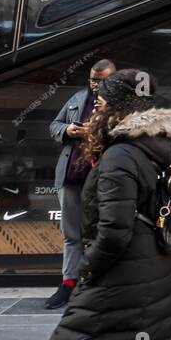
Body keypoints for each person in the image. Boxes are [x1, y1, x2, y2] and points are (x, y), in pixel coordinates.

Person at [21, 69, 171, 340]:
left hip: (121, 283)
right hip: (153, 277)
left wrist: (85, 274)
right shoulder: (153, 146)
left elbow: (114, 233)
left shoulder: (120, 156)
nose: (95, 102)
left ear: (118, 106)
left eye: (102, 98)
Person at [44, 58, 116, 310]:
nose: (96, 85)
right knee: (71, 234)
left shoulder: (120, 105)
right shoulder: (77, 98)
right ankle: (68, 284)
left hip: (102, 179)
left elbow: (129, 135)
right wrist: (68, 131)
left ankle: (98, 286)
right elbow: (54, 125)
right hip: (71, 176)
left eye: (102, 81)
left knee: (100, 234)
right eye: (93, 80)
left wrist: (97, 131)